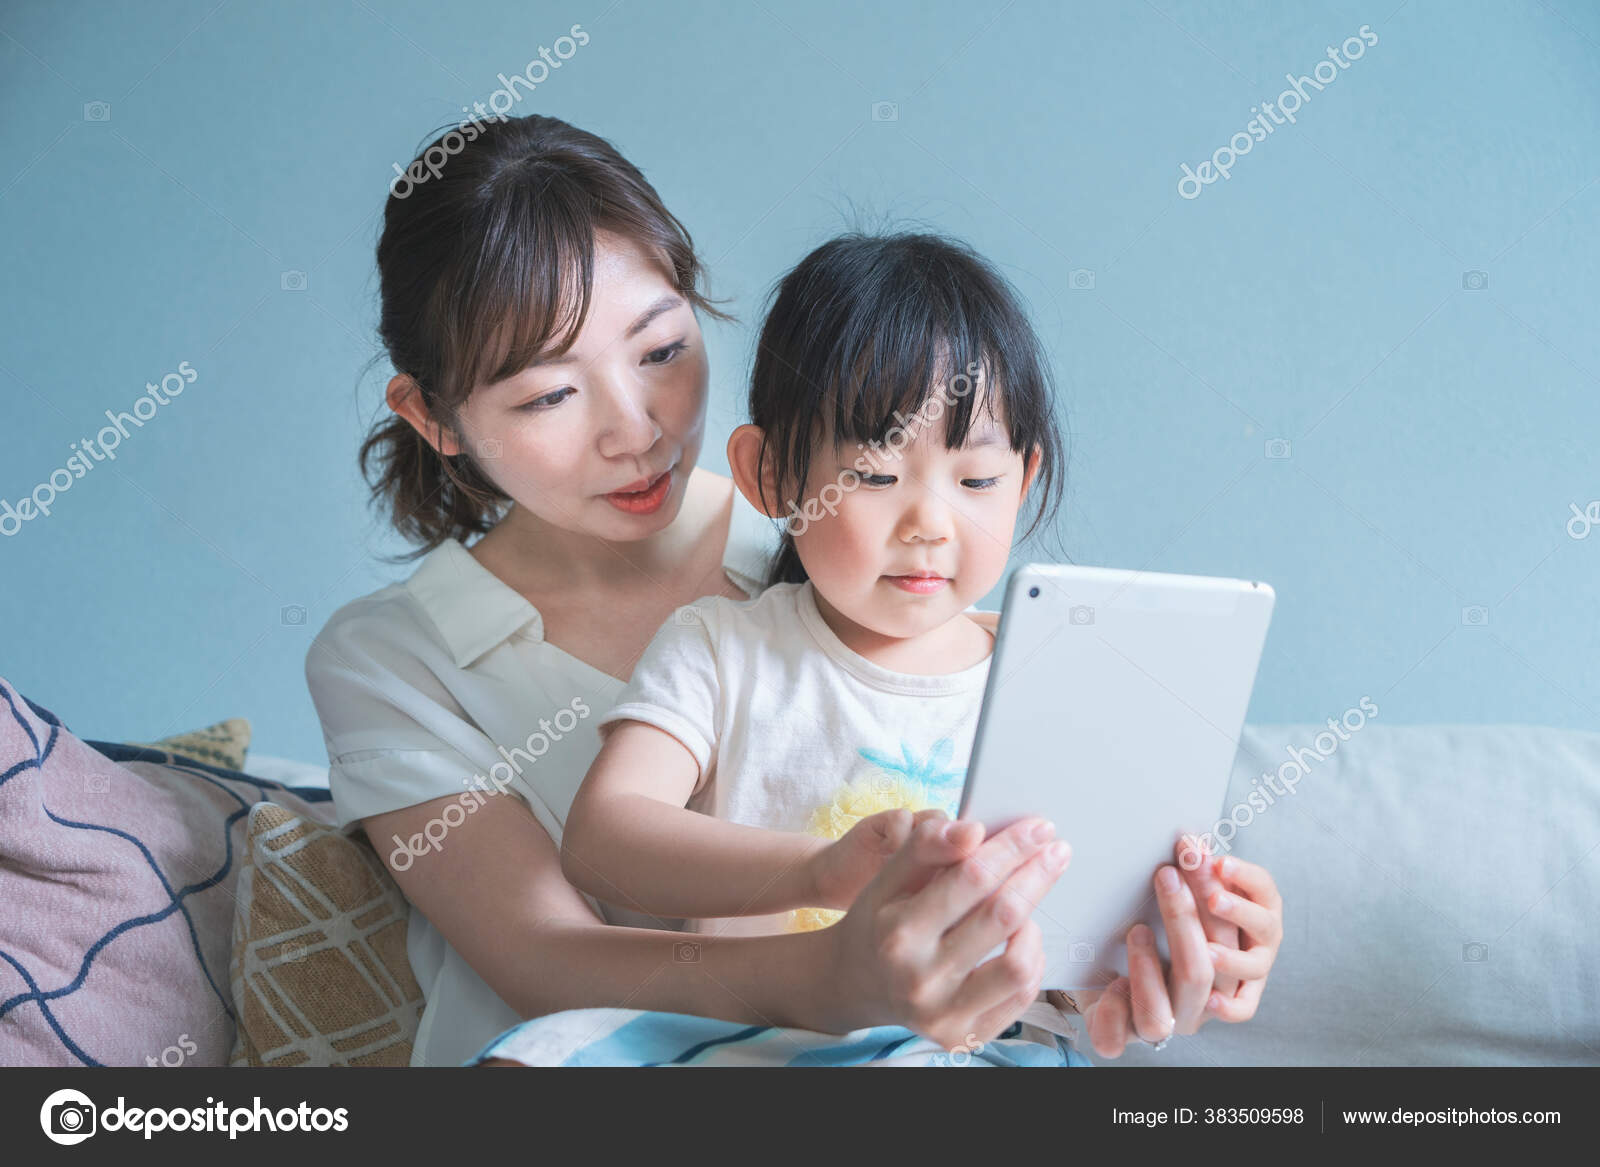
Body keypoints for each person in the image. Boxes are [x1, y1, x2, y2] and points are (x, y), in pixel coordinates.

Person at [305, 113, 1281, 1067]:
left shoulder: (861, 543)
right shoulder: (394, 656)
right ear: (431, 416)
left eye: (659, 351)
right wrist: (834, 965)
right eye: (548, 395)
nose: (634, 431)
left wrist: (1140, 960)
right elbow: (547, 958)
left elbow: (1036, 900)